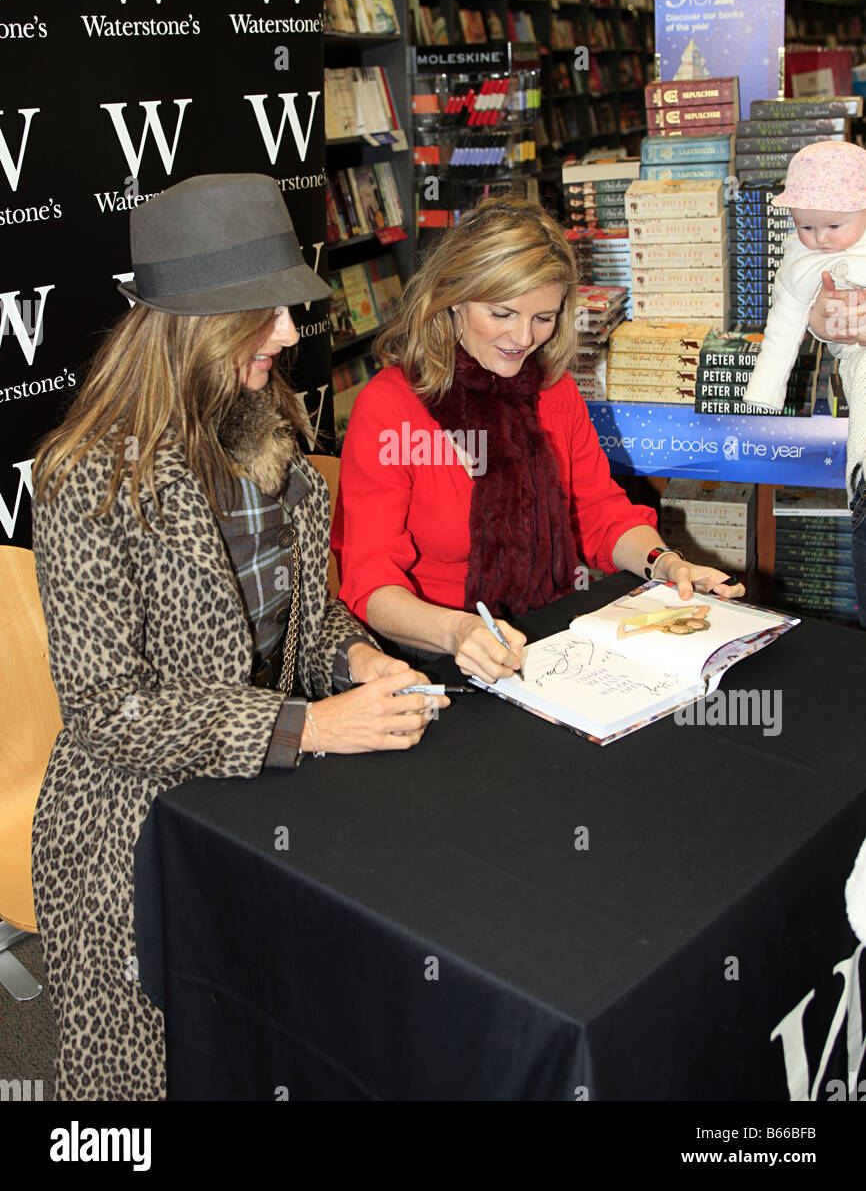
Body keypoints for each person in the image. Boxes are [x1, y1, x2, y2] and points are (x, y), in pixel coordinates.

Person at [30, 173, 448, 1102]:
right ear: (198, 325)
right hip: (135, 820)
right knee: (148, 1077)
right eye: (266, 315)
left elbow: (308, 622)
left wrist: (357, 658)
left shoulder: (269, 440)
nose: (292, 335)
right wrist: (309, 728)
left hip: (266, 791)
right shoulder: (85, 482)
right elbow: (108, 713)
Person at [334, 195, 744, 683]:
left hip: (551, 636)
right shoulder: (390, 407)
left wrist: (666, 564)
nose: (524, 338)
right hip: (434, 656)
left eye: (543, 318)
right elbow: (370, 579)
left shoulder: (554, 391)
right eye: (502, 313)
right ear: (453, 297)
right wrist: (458, 633)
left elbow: (599, 515)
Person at [743, 140, 866, 627]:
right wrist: (762, 394)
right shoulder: (798, 262)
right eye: (805, 226)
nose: (821, 239)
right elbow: (782, 327)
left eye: (834, 226)